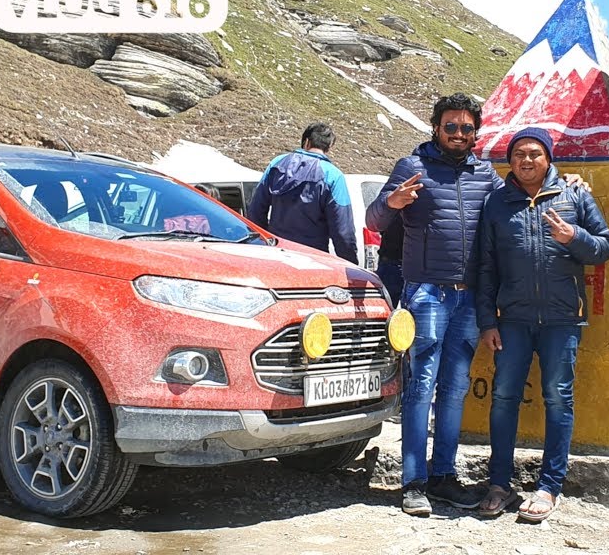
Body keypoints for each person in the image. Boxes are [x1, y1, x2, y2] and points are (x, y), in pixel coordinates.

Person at [367, 94, 587, 516]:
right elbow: (375, 221)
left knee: (454, 389)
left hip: (468, 297)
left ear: (475, 134)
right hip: (426, 292)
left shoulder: (485, 174)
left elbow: (529, 189)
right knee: (421, 384)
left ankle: (444, 478)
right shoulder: (412, 167)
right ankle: (414, 482)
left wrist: (570, 182)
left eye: (467, 128)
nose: (458, 134)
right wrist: (391, 204)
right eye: (451, 126)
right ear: (436, 128)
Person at [474, 127, 609, 522]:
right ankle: (499, 484)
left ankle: (550, 486)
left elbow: (604, 247)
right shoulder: (496, 204)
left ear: (549, 158)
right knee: (503, 399)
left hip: (562, 319)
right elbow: (486, 269)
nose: (527, 160)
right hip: (512, 320)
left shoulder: (574, 194)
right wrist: (488, 321)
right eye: (519, 153)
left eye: (535, 153)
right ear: (510, 161)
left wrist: (574, 237)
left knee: (558, 398)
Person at [246, 123, 357, 262]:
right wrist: (351, 266)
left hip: (276, 253)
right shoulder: (333, 176)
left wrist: (263, 243)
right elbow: (343, 231)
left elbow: (256, 210)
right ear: (328, 147)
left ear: (306, 142)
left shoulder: (277, 164)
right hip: (313, 258)